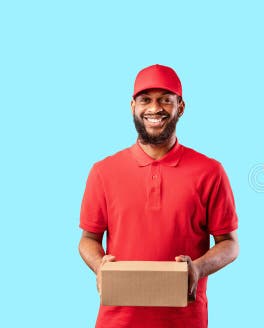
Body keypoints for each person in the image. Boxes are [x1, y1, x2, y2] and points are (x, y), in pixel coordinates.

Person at [78, 64, 239, 328]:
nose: (155, 108)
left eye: (165, 100)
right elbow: (87, 239)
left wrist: (197, 268)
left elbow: (230, 244)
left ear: (181, 107)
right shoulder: (103, 171)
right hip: (117, 320)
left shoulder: (210, 171)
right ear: (133, 106)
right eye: (146, 100)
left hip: (185, 319)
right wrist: (99, 265)